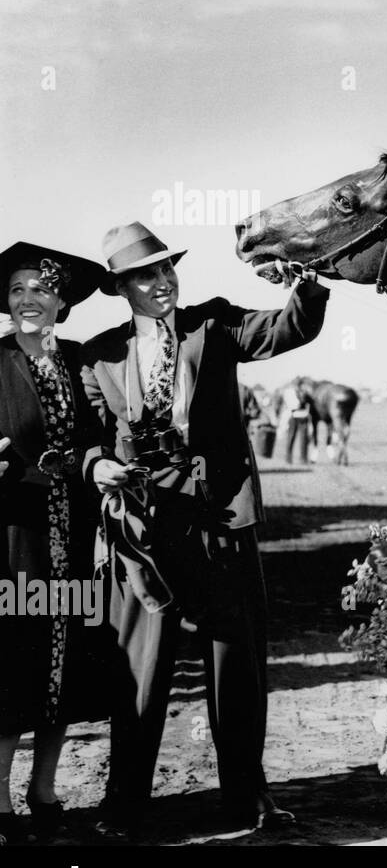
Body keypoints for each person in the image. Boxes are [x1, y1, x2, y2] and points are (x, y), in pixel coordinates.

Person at [81, 221, 330, 835]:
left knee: (234, 664)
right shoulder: (100, 354)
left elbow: (287, 328)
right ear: (122, 287)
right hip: (142, 533)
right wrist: (99, 464)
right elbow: (88, 440)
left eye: (167, 269)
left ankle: (247, 799)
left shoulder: (213, 324)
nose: (161, 282)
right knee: (139, 670)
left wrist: (307, 285)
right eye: (146, 274)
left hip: (219, 519)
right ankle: (126, 805)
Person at [0, 242, 115, 845]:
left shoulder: (80, 361)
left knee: (61, 659)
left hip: (73, 528)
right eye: (17, 290)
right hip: (10, 532)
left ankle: (43, 790)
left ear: (61, 302)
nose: (28, 300)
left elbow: (101, 430)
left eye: (40, 290)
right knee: (11, 654)